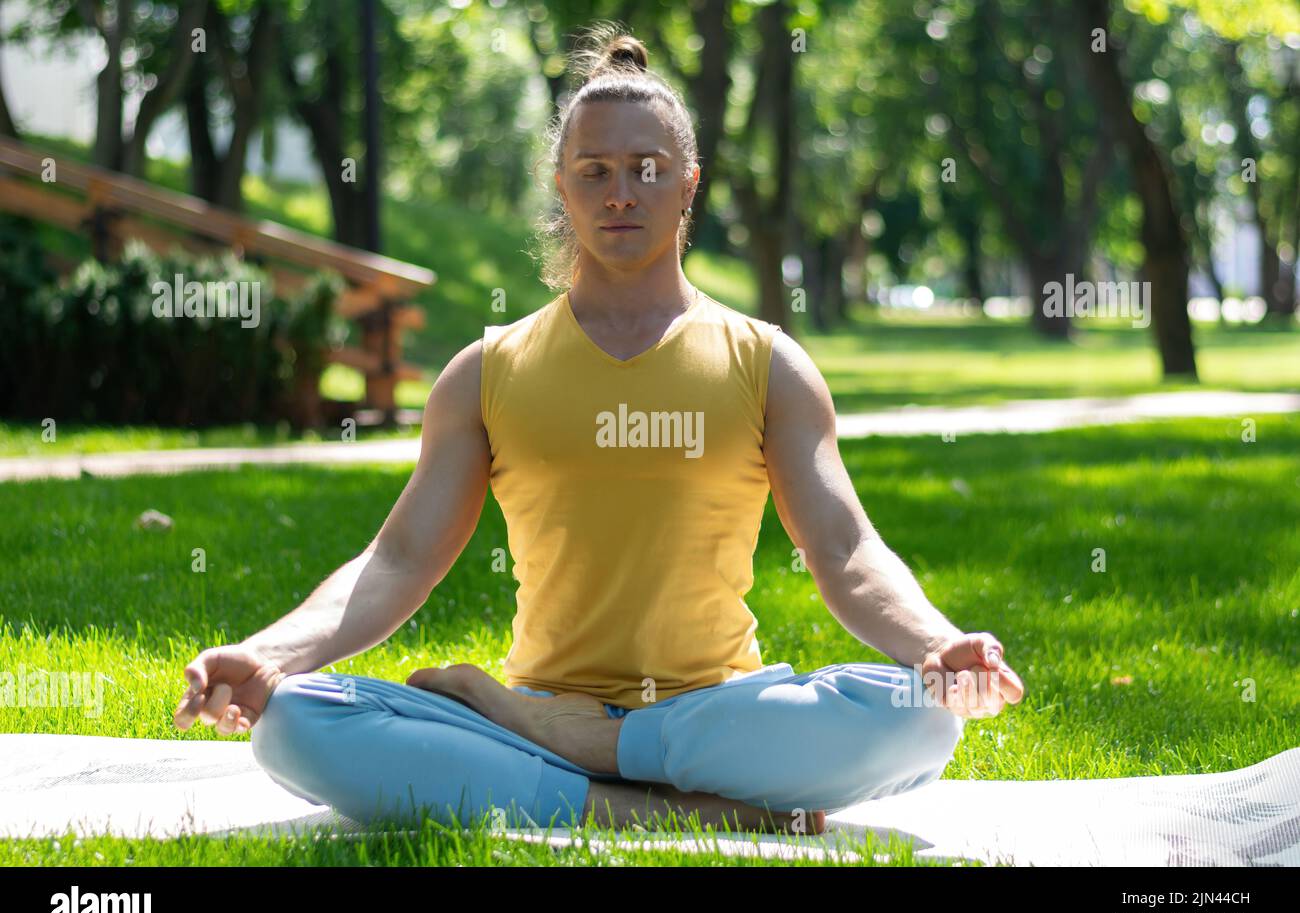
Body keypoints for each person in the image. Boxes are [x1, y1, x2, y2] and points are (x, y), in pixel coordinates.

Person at [173, 23, 1024, 837]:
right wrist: (269, 653)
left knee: (921, 722)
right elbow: (397, 562)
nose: (621, 191)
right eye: (595, 170)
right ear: (563, 186)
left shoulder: (768, 364)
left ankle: (586, 761)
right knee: (292, 722)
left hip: (711, 713)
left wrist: (937, 645)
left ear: (689, 182)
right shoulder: (488, 371)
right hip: (545, 711)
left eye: (648, 169)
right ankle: (639, 806)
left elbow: (844, 551)